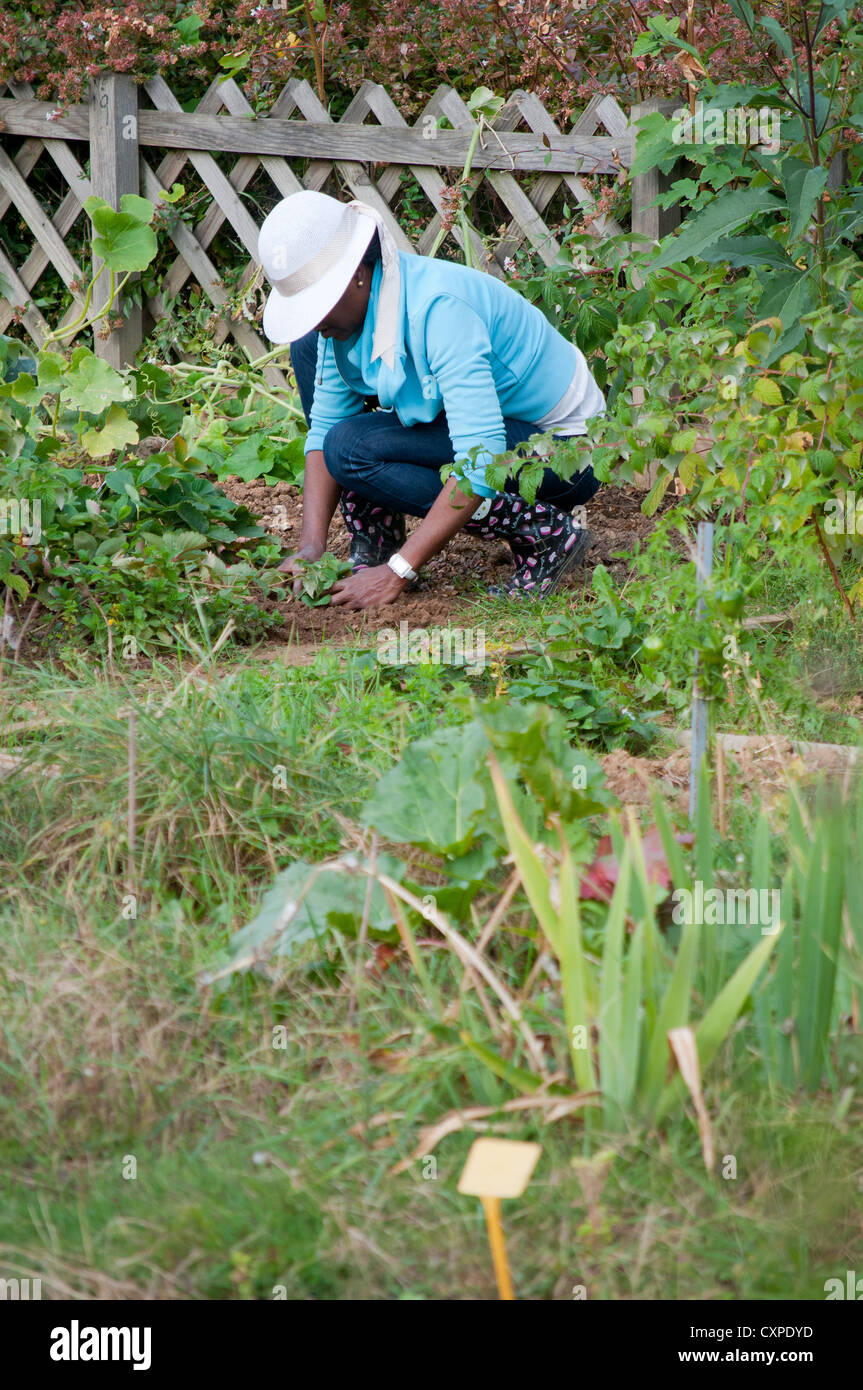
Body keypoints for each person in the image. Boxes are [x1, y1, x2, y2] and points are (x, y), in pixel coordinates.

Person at [257, 190, 605, 611]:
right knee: (311, 357)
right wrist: (310, 549)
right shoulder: (355, 316)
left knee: (353, 449)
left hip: (565, 453)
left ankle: (546, 534)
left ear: (357, 276)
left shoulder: (439, 310)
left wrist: (400, 571)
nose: (315, 320)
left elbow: (483, 458)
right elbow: (325, 426)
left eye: (319, 304)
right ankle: (376, 539)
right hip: (502, 434)